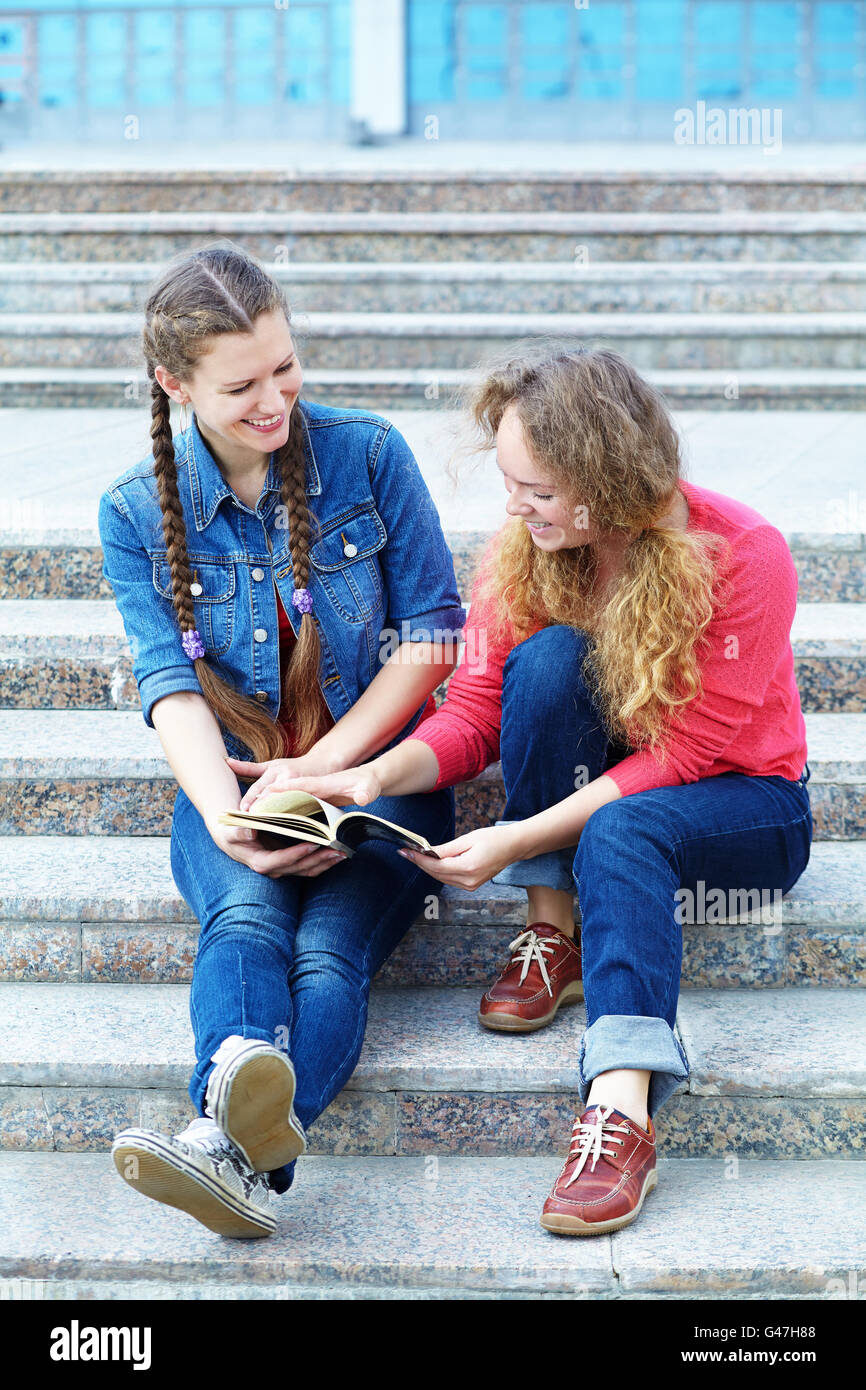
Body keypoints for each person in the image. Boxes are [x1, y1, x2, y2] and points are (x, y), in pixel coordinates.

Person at [263, 344, 813, 1237]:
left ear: (604, 477)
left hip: (748, 802)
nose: (513, 506)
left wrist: (514, 839)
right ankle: (552, 933)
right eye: (510, 482)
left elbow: (680, 757)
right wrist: (364, 773)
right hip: (624, 798)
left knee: (625, 830)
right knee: (550, 661)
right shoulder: (529, 552)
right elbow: (474, 713)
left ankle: (623, 1110)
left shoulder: (744, 554)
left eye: (538, 489)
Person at [97, 243, 464, 1238]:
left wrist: (328, 768)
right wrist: (225, 814)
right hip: (235, 785)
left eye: (284, 368)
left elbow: (434, 635)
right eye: (241, 385)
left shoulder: (367, 452)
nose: (274, 399)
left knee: (326, 961)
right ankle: (239, 1148)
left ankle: (224, 1147)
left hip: (381, 784)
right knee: (246, 927)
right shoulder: (134, 510)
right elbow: (167, 681)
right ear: (173, 384)